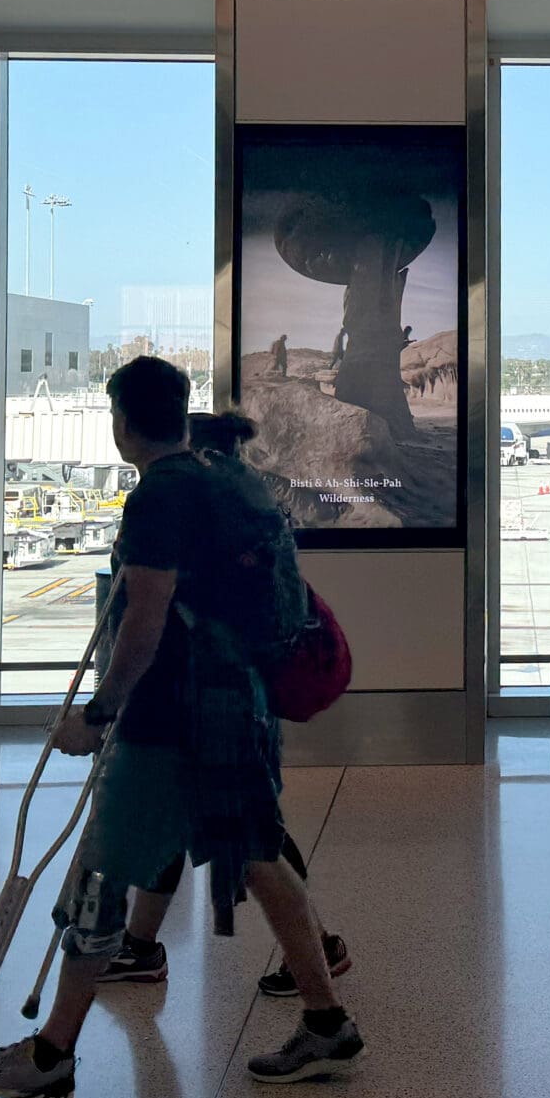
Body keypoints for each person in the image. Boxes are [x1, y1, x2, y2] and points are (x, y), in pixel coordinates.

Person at [0, 359, 363, 1098]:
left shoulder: (159, 499)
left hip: (168, 719)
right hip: (236, 705)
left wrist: (99, 713)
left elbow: (143, 620)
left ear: (120, 424)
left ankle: (52, 1055)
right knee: (258, 856)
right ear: (179, 413)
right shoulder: (224, 478)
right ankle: (326, 1018)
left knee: (101, 871)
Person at [97, 409, 352, 998]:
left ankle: (320, 967)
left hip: (211, 703)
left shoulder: (203, 515)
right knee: (211, 821)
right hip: (231, 700)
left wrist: (110, 702)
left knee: (254, 839)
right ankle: (140, 947)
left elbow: (154, 616)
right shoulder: (244, 505)